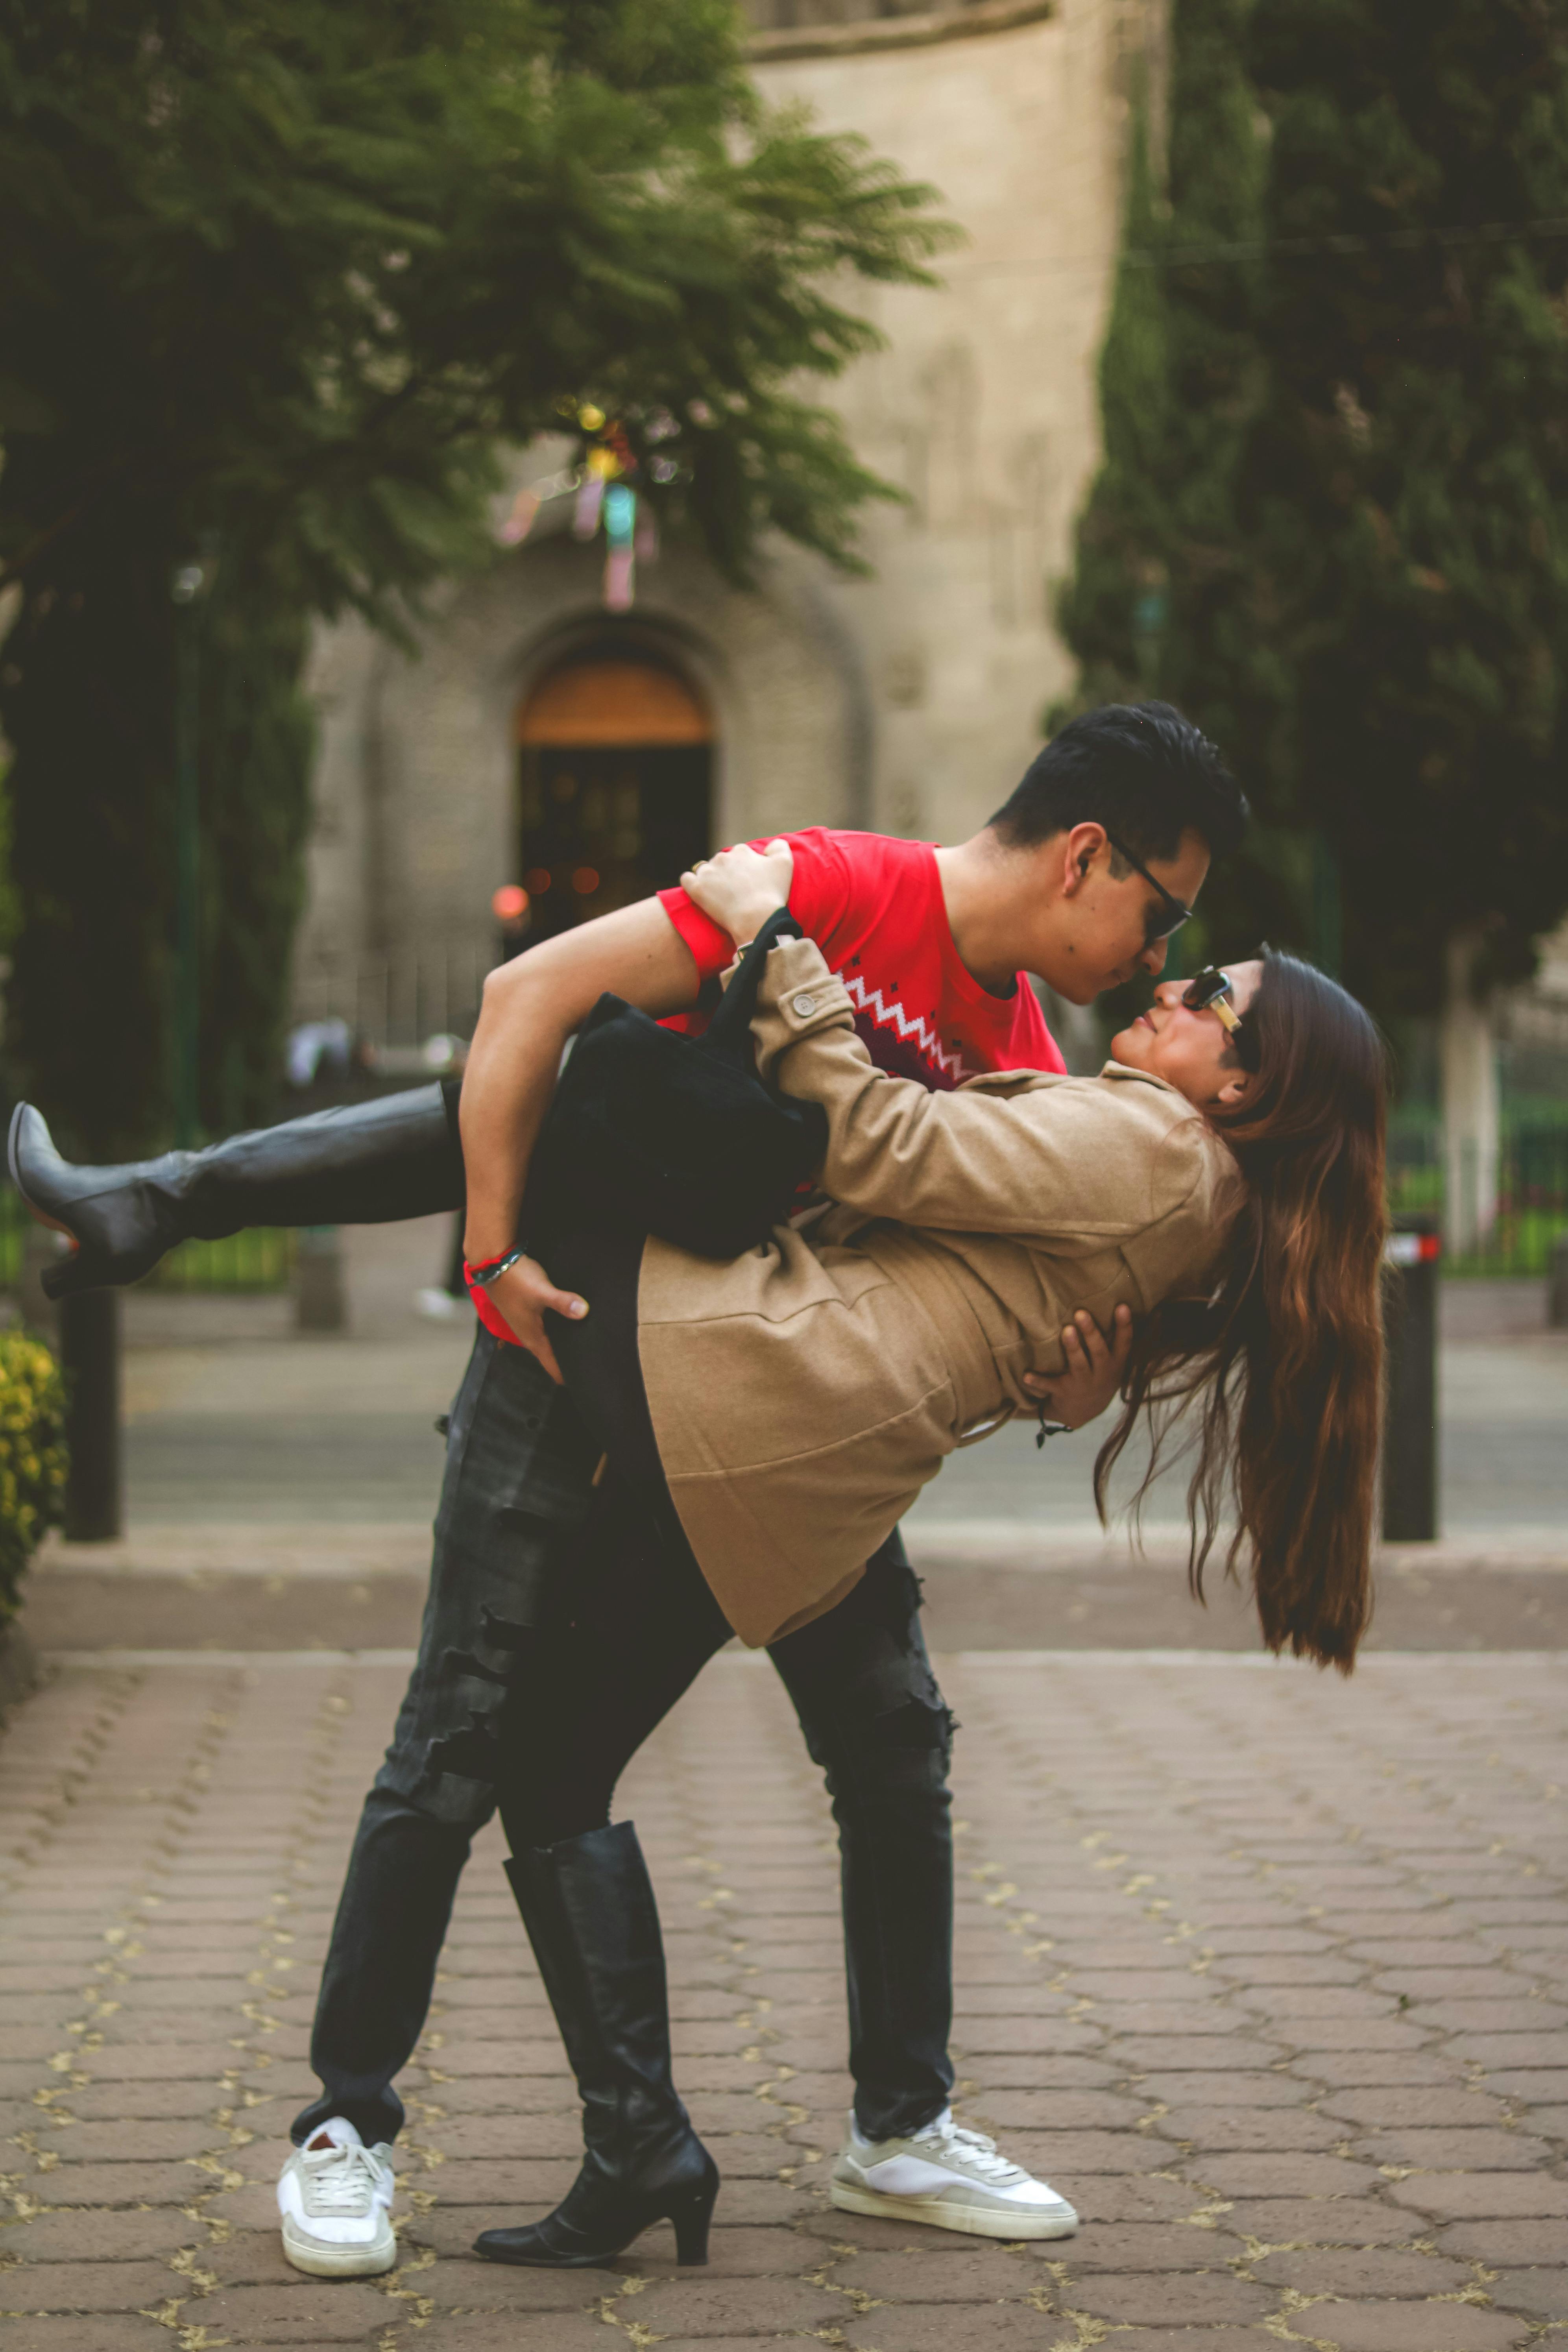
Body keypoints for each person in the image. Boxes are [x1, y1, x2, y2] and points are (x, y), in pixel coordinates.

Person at [10, 703, 1250, 2274]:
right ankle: (347, 2128)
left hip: (756, 1408)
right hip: (570, 1327)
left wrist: (1068, 1394)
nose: (1158, 957)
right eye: (1167, 911)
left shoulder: (1021, 1057)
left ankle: (900, 2123)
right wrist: (489, 1255)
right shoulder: (836, 884)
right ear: (1089, 854)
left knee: (891, 1734)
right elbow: (529, 1002)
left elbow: (971, 1310)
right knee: (455, 1731)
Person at [449, 837, 1386, 2271]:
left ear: (1245, 1081)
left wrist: (776, 945)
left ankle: (653, 2138)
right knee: (883, 1745)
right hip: (818, 1443)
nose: (1170, 980)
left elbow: (885, 1142)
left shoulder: (1151, 1143)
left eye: (1207, 989)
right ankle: (880, 2122)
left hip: (743, 1399)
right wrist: (1077, 1381)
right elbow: (1031, 1268)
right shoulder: (1193, 1184)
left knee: (581, 1093)